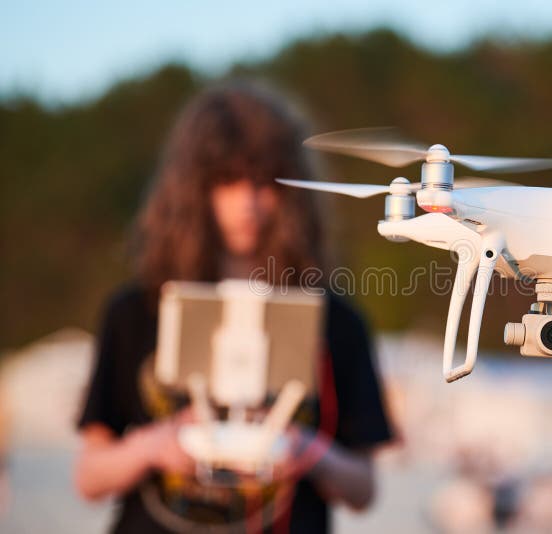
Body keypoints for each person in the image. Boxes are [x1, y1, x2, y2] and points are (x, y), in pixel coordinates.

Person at [74, 80, 393, 533]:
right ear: (193, 189)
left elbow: (364, 488)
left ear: (291, 192)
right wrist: (153, 447)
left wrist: (305, 450)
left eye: (264, 182)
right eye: (226, 181)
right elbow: (89, 476)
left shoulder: (335, 321)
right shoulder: (135, 311)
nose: (246, 202)